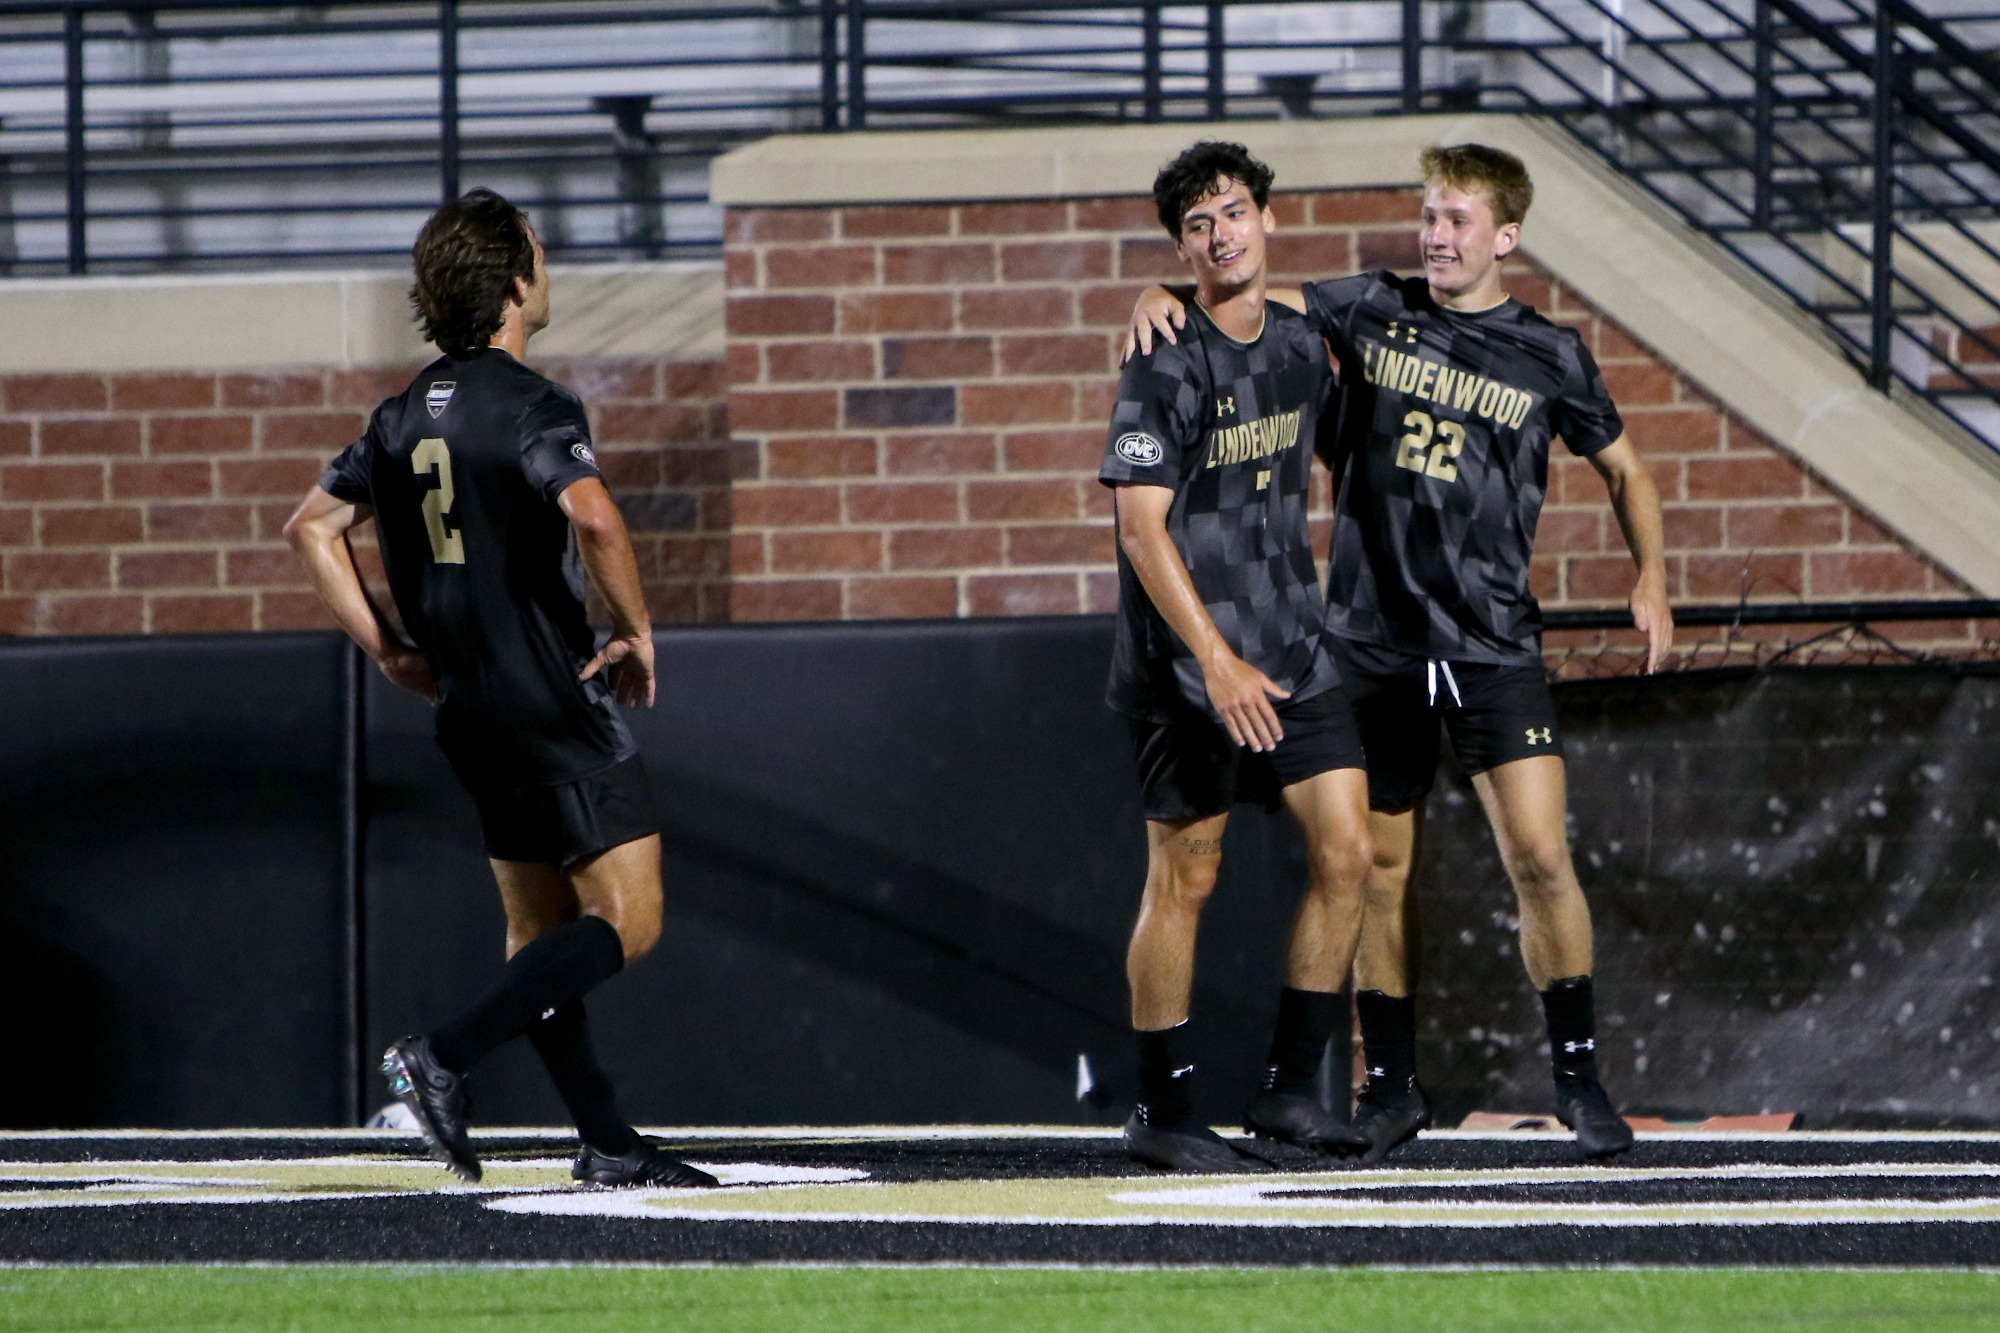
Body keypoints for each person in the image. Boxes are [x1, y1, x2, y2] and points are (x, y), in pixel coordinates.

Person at [1126, 143, 1673, 1160]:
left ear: (1504, 236)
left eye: (1456, 220)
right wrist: (1159, 288)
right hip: (1370, 640)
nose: (1435, 235)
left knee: (1540, 855)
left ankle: (1580, 1078)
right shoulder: (1369, 303)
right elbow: (1248, 289)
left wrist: (1648, 574)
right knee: (1375, 869)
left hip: (1491, 640)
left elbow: (1626, 471)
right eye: (1427, 215)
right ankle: (1393, 1088)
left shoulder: (1550, 352)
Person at [284, 188, 715, 1189]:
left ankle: (606, 1142)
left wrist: (389, 648)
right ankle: (437, 1057)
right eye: (539, 250)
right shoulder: (531, 405)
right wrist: (634, 628)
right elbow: (598, 520)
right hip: (552, 700)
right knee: (629, 921)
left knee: (540, 934)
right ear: (514, 283)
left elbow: (311, 524)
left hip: (468, 712)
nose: (547, 264)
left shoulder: (395, 419)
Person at [1104, 141, 1376, 1173]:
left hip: (1292, 646)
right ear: (1179, 245)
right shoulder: (1161, 355)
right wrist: (1213, 659)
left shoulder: (1306, 342)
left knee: (1345, 854)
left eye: (1232, 213)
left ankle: (1286, 1095)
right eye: (1197, 226)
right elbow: (1140, 529)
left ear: (1265, 215)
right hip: (1184, 663)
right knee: (1187, 875)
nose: (1219, 236)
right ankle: (1161, 1110)